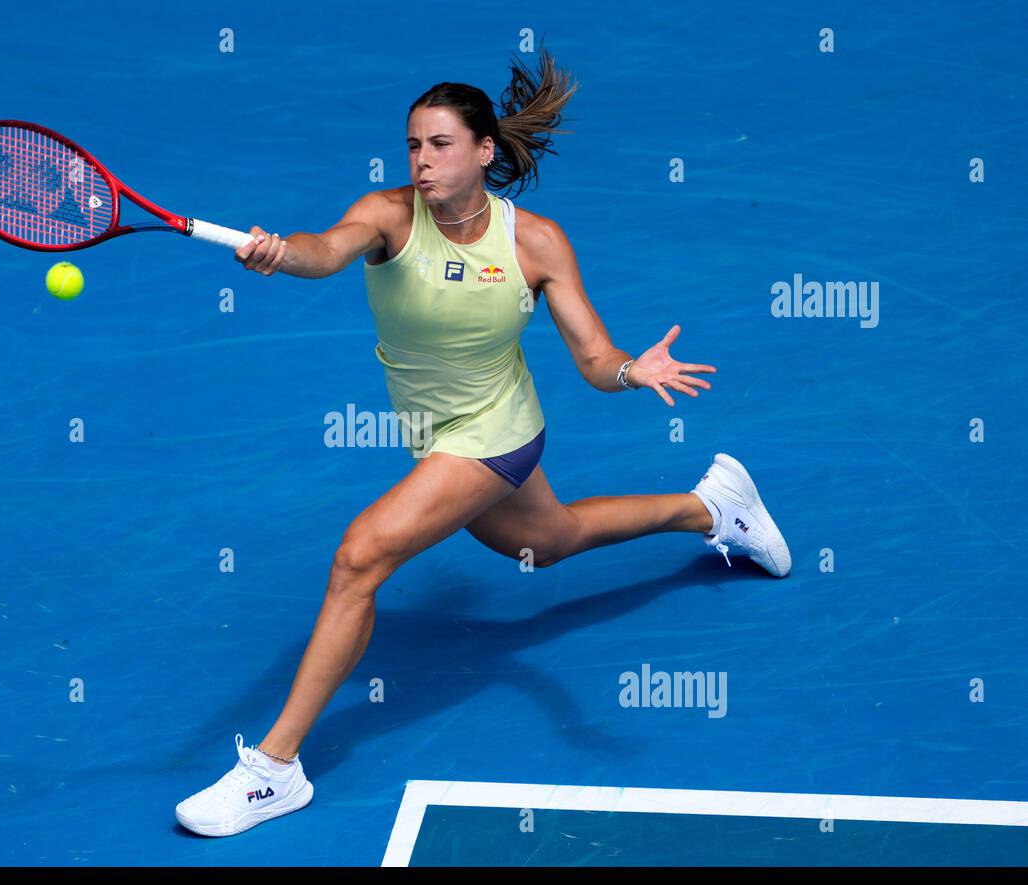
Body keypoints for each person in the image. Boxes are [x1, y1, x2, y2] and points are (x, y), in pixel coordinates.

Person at [175, 47, 791, 837]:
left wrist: (637, 371)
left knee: (361, 556)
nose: (422, 161)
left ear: (483, 151)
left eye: (440, 144)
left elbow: (596, 360)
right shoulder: (389, 216)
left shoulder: (534, 243)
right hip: (437, 437)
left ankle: (275, 769)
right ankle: (712, 507)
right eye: (413, 145)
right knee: (550, 539)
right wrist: (276, 251)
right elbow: (323, 250)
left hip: (497, 435)